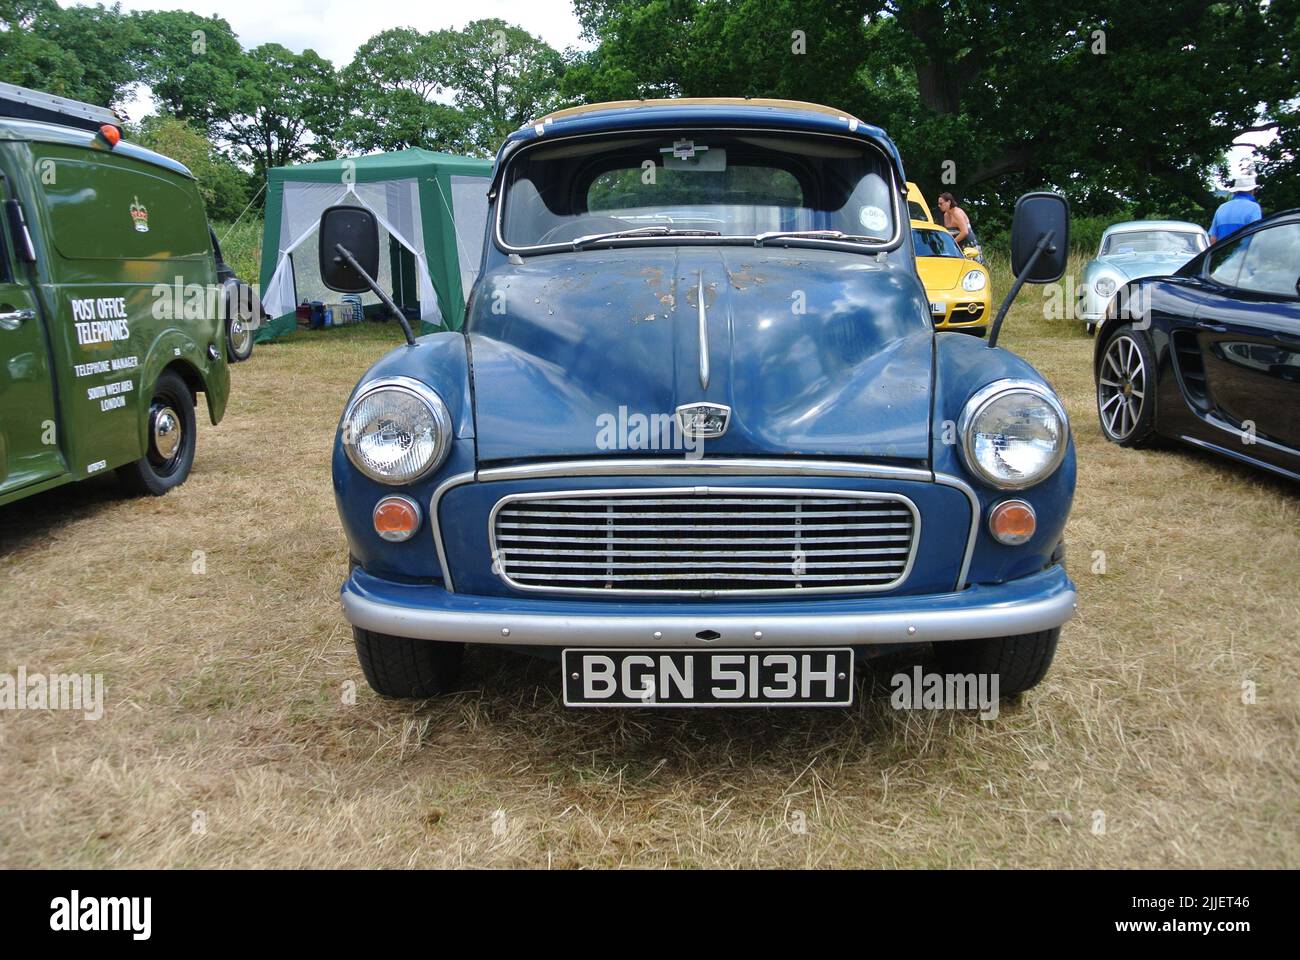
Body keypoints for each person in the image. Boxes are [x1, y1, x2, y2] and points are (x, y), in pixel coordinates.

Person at [1208, 172, 1262, 244]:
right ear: (1252, 191)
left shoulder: (1221, 208)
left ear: (1235, 191)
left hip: (1223, 254)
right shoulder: (1254, 207)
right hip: (1243, 253)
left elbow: (1213, 239)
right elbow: (1256, 235)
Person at [937, 192, 983, 263]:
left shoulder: (957, 213)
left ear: (949, 202)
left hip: (968, 246)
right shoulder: (946, 215)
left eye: (941, 203)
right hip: (957, 246)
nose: (939, 205)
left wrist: (951, 242)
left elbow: (964, 231)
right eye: (938, 204)